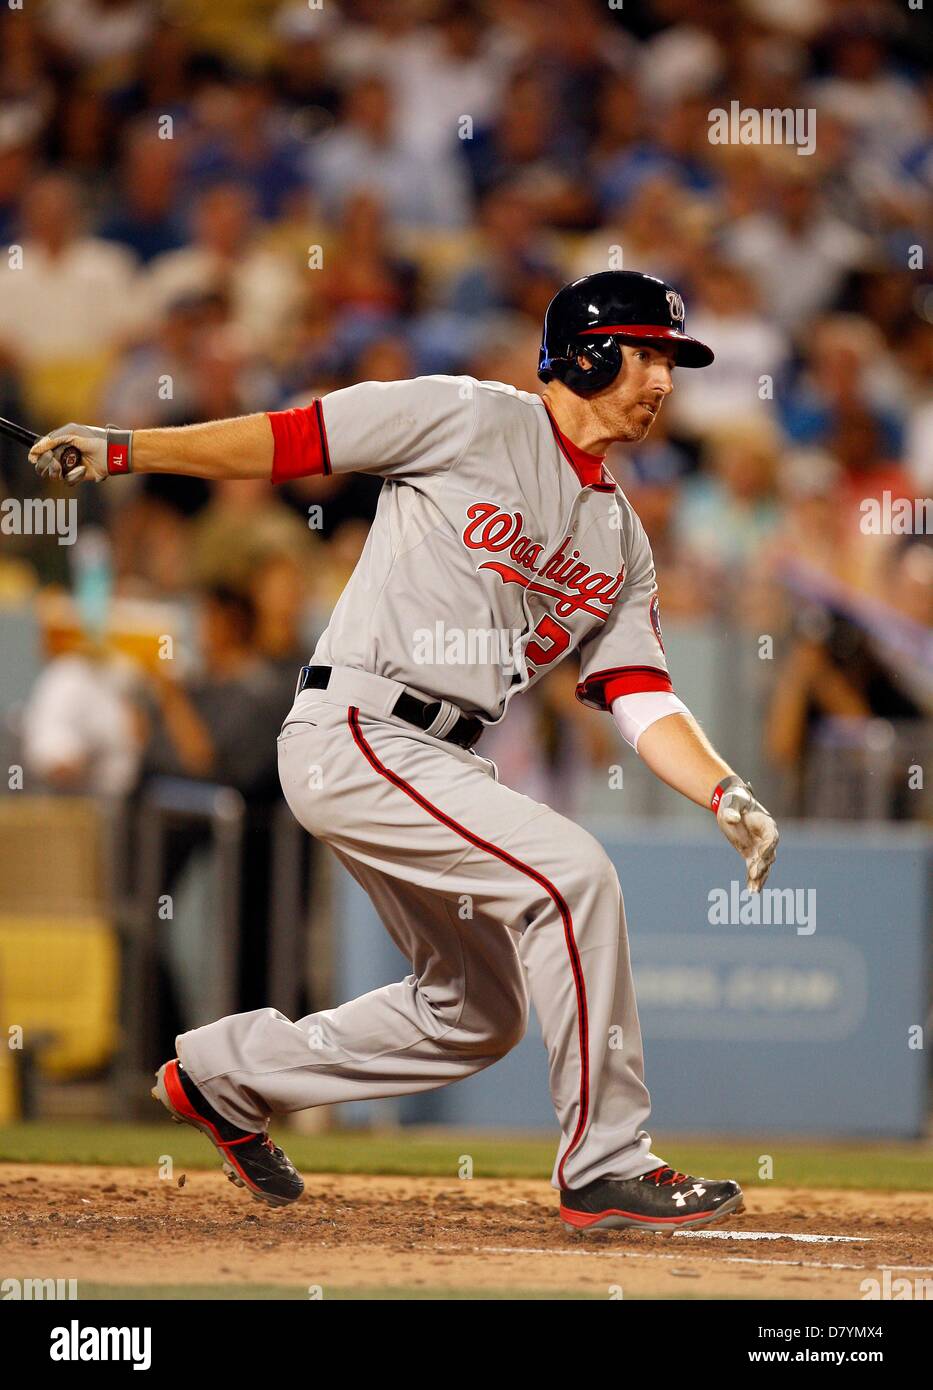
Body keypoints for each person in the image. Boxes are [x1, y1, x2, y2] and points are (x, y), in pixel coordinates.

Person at [30, 270, 779, 1232]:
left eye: (669, 358)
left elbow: (634, 691)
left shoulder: (620, 538)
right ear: (586, 353)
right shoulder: (464, 414)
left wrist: (721, 790)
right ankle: (604, 1162)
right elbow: (295, 439)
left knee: (474, 1013)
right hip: (359, 728)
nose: (662, 379)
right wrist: (126, 450)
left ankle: (223, 1077)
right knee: (573, 876)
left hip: (441, 759)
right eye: (644, 352)